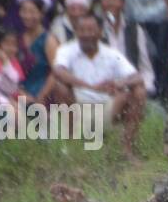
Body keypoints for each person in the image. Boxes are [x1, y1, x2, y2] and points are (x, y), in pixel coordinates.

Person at [52, 13, 146, 158]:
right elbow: (58, 71)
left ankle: (126, 149)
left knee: (138, 91)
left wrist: (120, 82)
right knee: (59, 86)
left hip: (108, 107)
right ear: (76, 32)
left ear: (100, 32)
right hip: (77, 107)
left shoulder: (111, 53)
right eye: (82, 30)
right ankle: (71, 145)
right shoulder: (66, 50)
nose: (86, 34)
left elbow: (138, 77)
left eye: (91, 30)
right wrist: (89, 86)